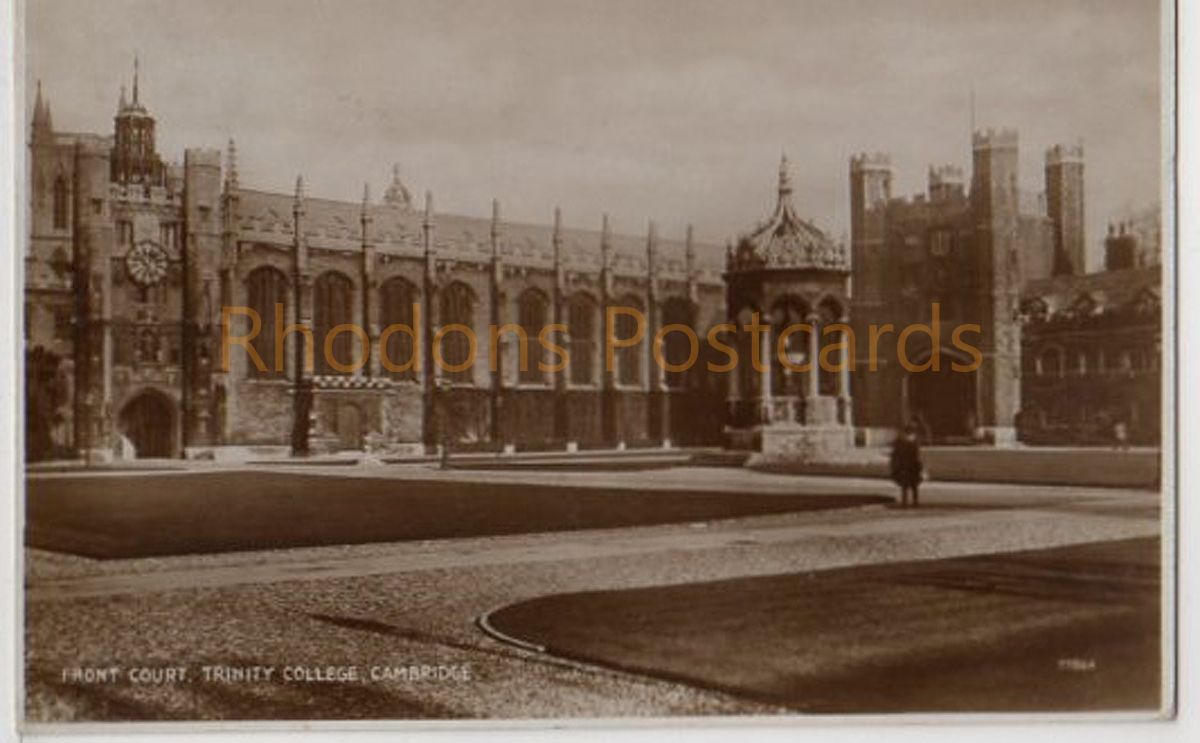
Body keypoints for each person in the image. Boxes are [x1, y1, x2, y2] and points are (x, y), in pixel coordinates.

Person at [889, 423, 924, 508]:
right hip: (911, 465)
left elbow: (896, 454)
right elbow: (917, 455)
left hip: (906, 465)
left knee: (906, 485)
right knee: (913, 485)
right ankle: (914, 502)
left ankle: (906, 502)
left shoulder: (902, 441)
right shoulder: (913, 441)